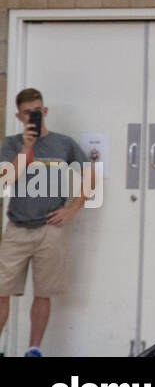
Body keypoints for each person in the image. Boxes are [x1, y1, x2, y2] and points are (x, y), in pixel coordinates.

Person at [0, 88, 92, 357]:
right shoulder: (11, 143)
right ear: (19, 115)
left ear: (45, 111)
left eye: (37, 111)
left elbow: (90, 174)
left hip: (50, 229)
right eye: (28, 112)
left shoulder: (64, 143)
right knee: (2, 290)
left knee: (44, 292)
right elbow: (7, 179)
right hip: (16, 228)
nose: (34, 116)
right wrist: (27, 147)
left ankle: (34, 349)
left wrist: (74, 207)